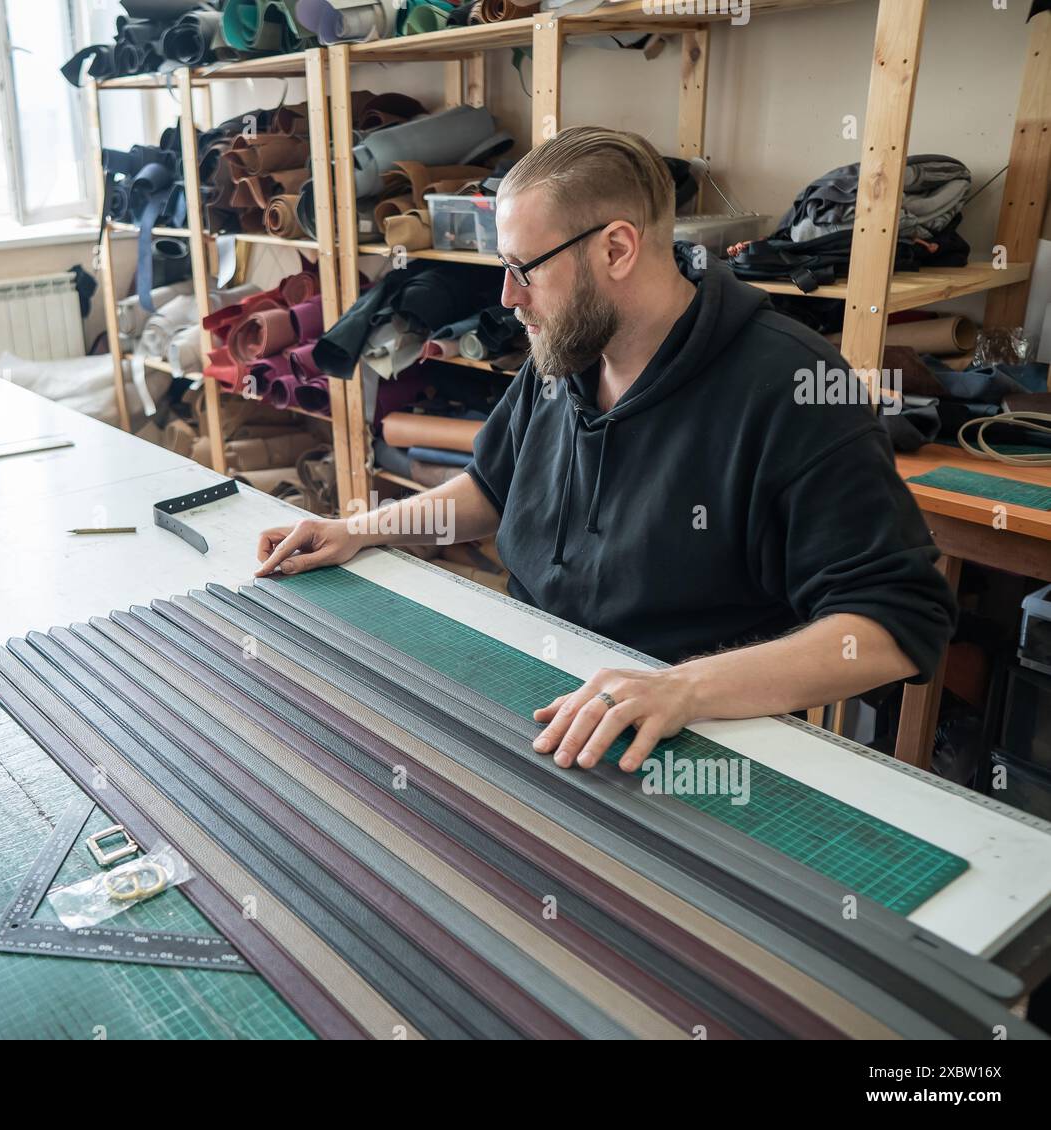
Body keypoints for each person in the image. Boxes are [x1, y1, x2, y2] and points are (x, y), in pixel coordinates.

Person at [255, 126, 957, 774]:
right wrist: (360, 529)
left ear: (616, 248)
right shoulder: (565, 350)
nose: (508, 297)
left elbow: (895, 621)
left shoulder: (793, 385)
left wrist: (682, 689)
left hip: (689, 734)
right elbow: (490, 490)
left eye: (523, 269)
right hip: (537, 681)